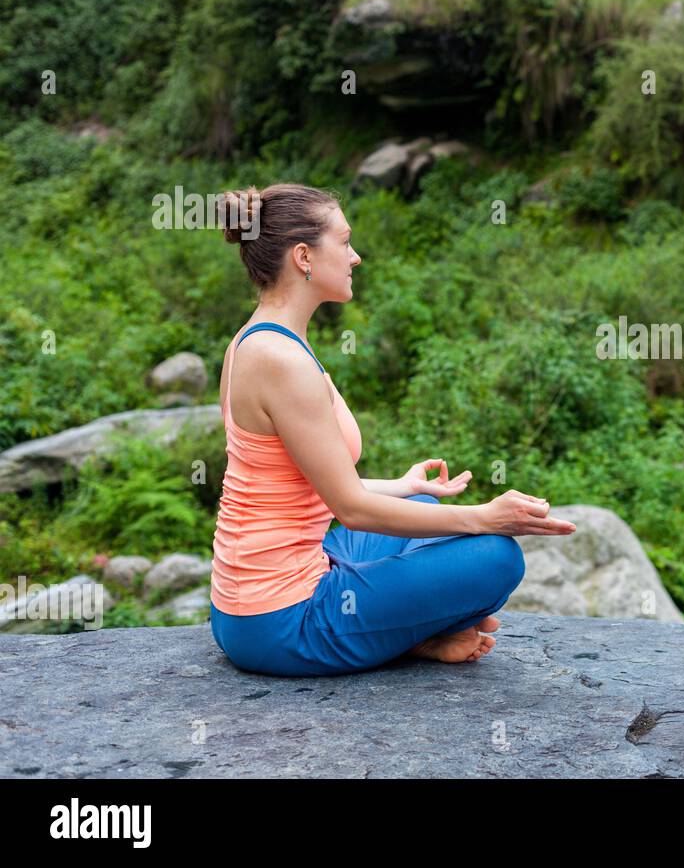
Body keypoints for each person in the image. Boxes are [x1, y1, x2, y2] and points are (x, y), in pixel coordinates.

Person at [208, 183, 576, 677]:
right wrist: (485, 517)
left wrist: (405, 486)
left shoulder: (253, 341)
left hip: (256, 598)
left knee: (418, 505)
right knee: (497, 558)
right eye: (344, 242)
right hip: (279, 621)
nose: (355, 257)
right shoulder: (280, 360)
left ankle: (409, 630)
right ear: (304, 257)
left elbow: (288, 483)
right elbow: (352, 509)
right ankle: (411, 637)